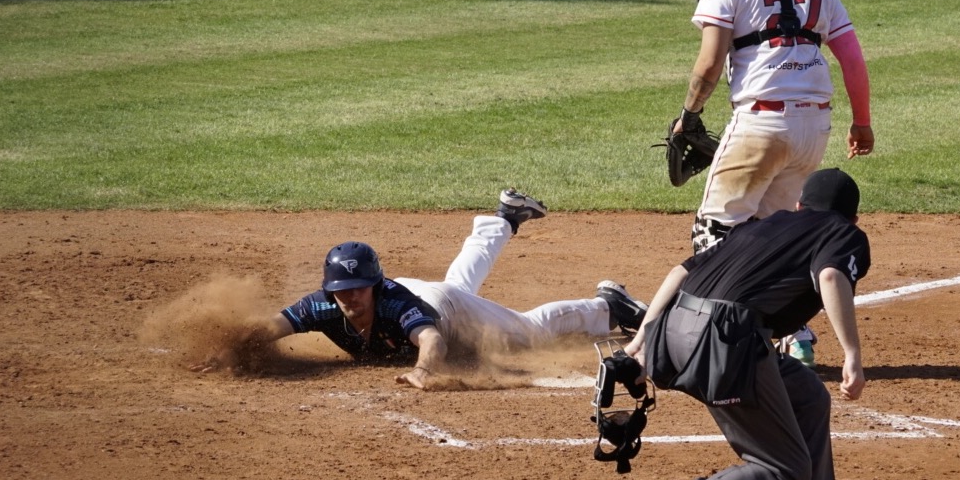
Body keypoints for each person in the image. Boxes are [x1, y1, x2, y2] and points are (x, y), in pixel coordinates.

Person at [622, 168, 871, 480]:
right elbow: (830, 275)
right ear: (854, 218)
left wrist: (643, 336)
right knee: (786, 473)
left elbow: (681, 271)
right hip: (726, 341)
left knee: (807, 394)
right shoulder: (844, 233)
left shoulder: (765, 225)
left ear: (798, 205)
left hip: (679, 327)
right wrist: (851, 354)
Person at [673, 0, 874, 366]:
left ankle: (714, 340)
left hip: (760, 123)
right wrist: (862, 122)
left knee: (713, 232)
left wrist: (689, 115)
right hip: (815, 128)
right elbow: (851, 58)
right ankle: (795, 335)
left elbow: (708, 64)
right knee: (777, 234)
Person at [194, 189, 647, 388]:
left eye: (357, 289)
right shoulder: (324, 304)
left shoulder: (394, 305)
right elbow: (275, 324)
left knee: (527, 332)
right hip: (427, 294)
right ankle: (503, 218)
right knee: (455, 284)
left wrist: (424, 371)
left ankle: (605, 306)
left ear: (372, 286)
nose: (349, 297)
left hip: (441, 309)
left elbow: (429, 339)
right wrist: (230, 348)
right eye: (341, 291)